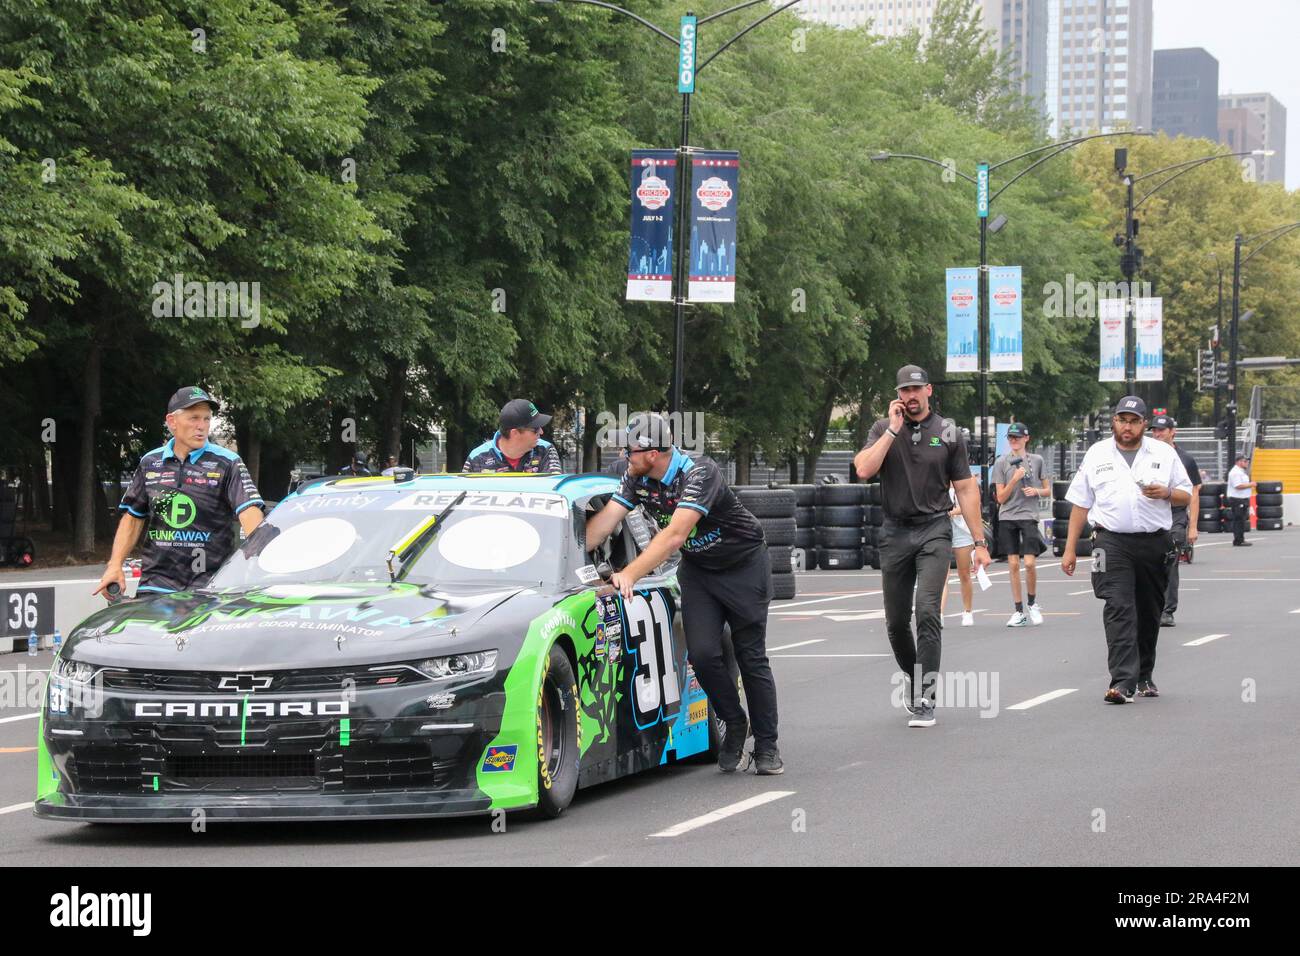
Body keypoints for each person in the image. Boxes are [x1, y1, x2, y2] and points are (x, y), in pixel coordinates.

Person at [584, 413, 781, 774]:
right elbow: (607, 521)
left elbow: (675, 535)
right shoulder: (636, 476)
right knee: (703, 655)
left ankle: (768, 746)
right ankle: (734, 721)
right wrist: (576, 549)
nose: (624, 456)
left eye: (629, 449)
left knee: (750, 656)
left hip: (743, 565)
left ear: (653, 453)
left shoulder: (699, 473)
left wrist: (629, 573)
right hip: (701, 571)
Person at [853, 365, 990, 728]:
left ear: (928, 390)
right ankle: (916, 679)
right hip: (894, 532)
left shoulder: (949, 433)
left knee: (927, 610)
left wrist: (979, 542)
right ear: (898, 394)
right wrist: (892, 431)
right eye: (904, 390)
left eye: (916, 389)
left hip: (934, 529)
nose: (910, 396)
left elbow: (965, 488)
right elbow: (863, 469)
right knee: (897, 622)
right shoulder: (883, 428)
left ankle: (926, 697)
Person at [1061, 396, 1191, 703]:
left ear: (1144, 424)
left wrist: (1167, 493)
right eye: (1122, 420)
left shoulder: (1163, 452)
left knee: (1148, 612)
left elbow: (1186, 495)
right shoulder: (1097, 453)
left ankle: (1144, 673)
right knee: (1118, 608)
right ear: (1114, 422)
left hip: (1154, 542)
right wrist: (1069, 549)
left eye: (1133, 421)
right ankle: (1121, 681)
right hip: (1110, 541)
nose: (1127, 426)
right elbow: (1081, 503)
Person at [94, 387, 265, 597]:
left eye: (206, 419)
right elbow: (133, 517)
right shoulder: (150, 462)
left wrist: (258, 564)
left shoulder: (228, 462)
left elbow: (250, 513)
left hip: (211, 585)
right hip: (156, 583)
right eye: (194, 418)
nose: (201, 426)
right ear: (172, 421)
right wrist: (114, 566)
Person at [989, 422, 1050, 627]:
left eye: (1017, 437)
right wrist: (1014, 479)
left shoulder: (1037, 460)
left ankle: (1032, 603)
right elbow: (1000, 498)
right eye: (1010, 438)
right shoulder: (1001, 462)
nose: (1013, 441)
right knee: (1013, 564)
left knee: (1030, 563)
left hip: (1029, 515)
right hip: (1007, 516)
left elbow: (1047, 489)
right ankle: (1018, 610)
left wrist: (1037, 492)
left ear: (1026, 438)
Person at [1150, 415, 1202, 625]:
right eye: (1154, 430)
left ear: (1173, 432)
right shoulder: (1146, 455)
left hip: (1176, 515)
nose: (1157, 434)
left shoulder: (1185, 459)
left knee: (1170, 563)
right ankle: (1150, 606)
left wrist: (1193, 527)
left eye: (1161, 430)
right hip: (1152, 514)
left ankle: (1167, 610)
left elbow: (1194, 493)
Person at [462, 399, 561, 473]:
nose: (541, 432)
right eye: (535, 429)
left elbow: (553, 490)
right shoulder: (477, 457)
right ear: (515, 433)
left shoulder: (545, 450)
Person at [940, 485, 976, 626]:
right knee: (942, 575)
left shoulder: (963, 482)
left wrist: (952, 512)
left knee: (964, 573)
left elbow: (971, 504)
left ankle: (967, 611)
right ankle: (939, 614)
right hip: (941, 530)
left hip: (962, 531)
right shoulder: (937, 480)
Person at [1226, 452, 1255, 547]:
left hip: (1242, 499)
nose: (1247, 463)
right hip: (1237, 499)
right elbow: (1238, 485)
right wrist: (1251, 484)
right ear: (1239, 462)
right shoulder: (1235, 472)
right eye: (1245, 461)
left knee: (1241, 520)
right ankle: (1238, 540)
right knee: (1239, 520)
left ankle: (1240, 538)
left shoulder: (1241, 472)